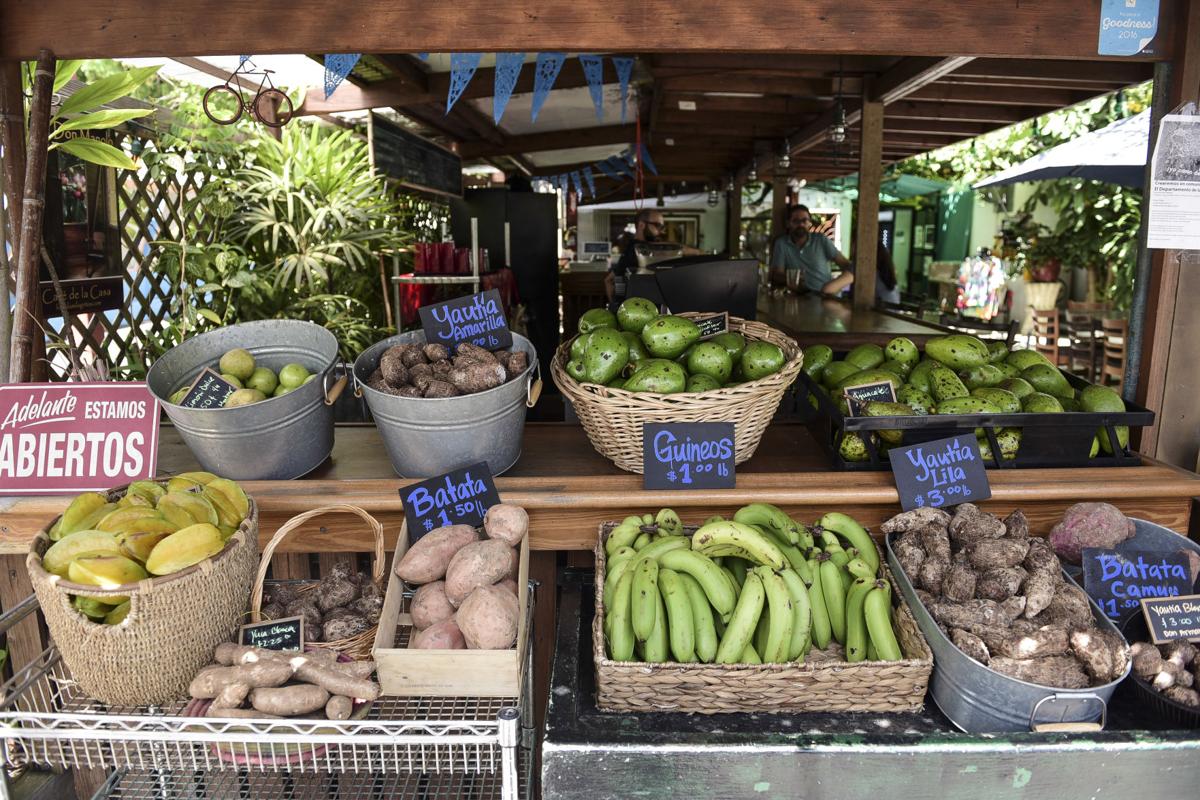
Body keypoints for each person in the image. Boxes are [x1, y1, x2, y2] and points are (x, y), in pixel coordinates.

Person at [769, 204, 852, 292]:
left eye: (804, 220)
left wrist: (837, 284)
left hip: (824, 297)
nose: (801, 224)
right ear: (788, 223)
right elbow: (777, 275)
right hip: (797, 297)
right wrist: (793, 278)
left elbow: (845, 265)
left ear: (809, 223)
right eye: (796, 221)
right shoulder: (782, 243)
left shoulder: (821, 240)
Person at [605, 208, 666, 303]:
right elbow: (609, 280)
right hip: (632, 308)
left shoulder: (632, 246)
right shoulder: (637, 249)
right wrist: (614, 307)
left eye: (662, 227)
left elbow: (608, 280)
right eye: (657, 225)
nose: (661, 231)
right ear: (641, 225)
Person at [821, 240, 900, 304]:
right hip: (894, 315)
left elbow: (827, 290)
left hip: (880, 316)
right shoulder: (887, 265)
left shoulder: (862, 264)